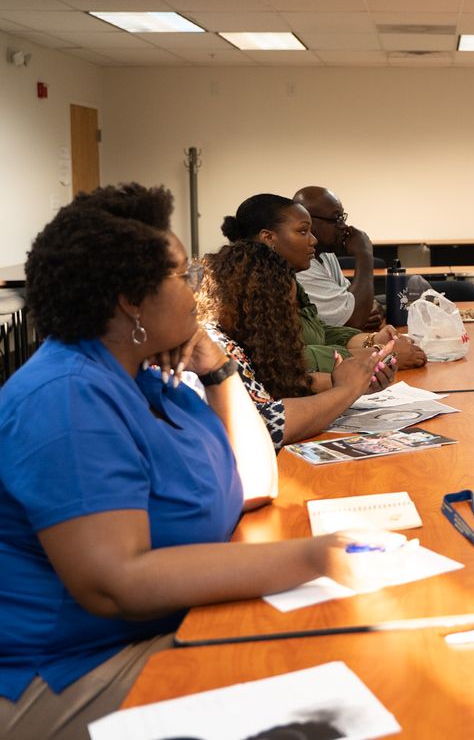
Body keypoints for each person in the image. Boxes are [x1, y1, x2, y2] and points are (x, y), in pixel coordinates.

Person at [0, 185, 388, 739]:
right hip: (74, 667)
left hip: (171, 625)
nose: (197, 289)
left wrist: (216, 364)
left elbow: (254, 483)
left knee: (348, 647)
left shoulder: (157, 376)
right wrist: (319, 558)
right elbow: (118, 582)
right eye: (183, 276)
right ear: (132, 301)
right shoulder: (66, 395)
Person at [199, 240, 395, 447]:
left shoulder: (234, 336)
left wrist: (356, 382)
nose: (291, 319)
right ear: (255, 305)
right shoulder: (216, 346)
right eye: (284, 308)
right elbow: (269, 424)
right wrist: (346, 391)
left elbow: (275, 385)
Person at [220, 194, 425, 374]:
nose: (313, 241)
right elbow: (292, 358)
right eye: (303, 232)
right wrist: (378, 355)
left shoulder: (286, 279)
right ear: (268, 238)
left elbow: (318, 332)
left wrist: (372, 340)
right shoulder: (251, 291)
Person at [292, 185, 382, 331]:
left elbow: (353, 300)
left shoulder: (327, 255)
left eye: (342, 217)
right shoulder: (301, 267)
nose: (344, 226)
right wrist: (364, 254)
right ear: (308, 220)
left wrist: (374, 307)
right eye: (336, 219)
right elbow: (355, 319)